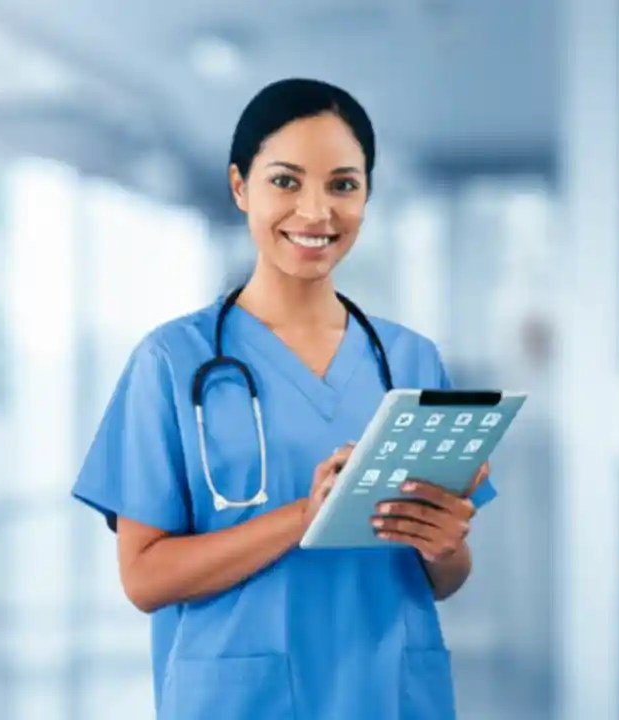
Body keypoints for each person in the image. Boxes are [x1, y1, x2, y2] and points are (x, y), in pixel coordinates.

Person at [71, 77, 497, 720]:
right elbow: (145, 578)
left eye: (343, 184)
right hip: (240, 701)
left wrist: (444, 545)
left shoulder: (411, 360)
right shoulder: (171, 361)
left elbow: (443, 580)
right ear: (241, 186)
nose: (317, 212)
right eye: (286, 181)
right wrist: (307, 516)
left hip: (390, 694)